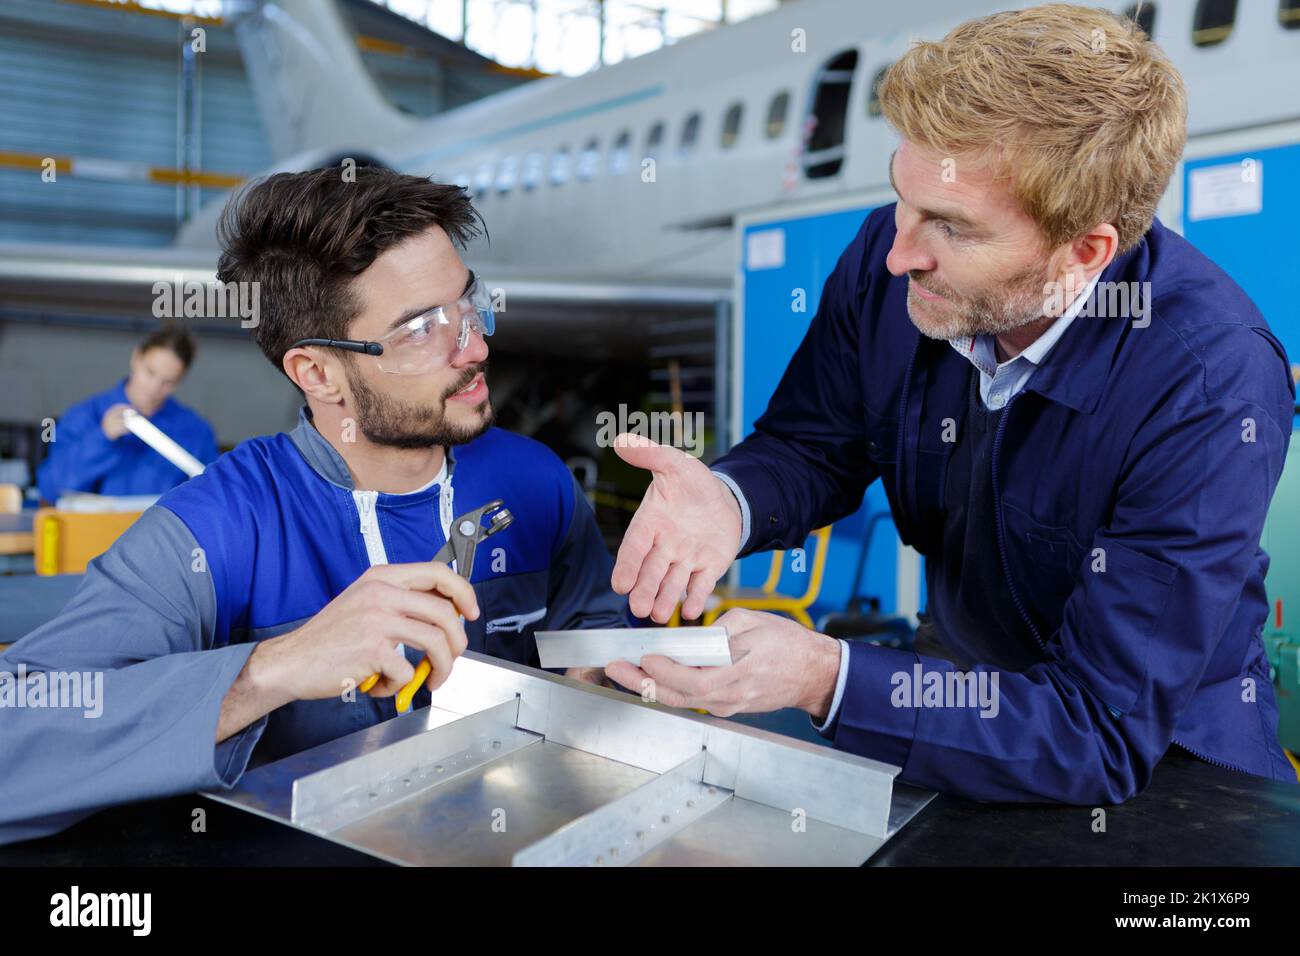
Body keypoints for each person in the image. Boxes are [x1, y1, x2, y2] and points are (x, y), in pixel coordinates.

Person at [603, 5, 1297, 803]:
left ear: (1085, 252)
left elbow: (1099, 732)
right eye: (903, 198)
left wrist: (826, 677)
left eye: (952, 228)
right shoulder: (887, 258)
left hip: (1162, 778)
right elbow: (813, 442)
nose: (900, 251)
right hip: (951, 711)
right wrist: (731, 500)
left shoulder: (1205, 383)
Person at [0, 167, 624, 845]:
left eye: (468, 308)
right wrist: (270, 669)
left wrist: (632, 666)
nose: (475, 348)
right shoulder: (216, 530)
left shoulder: (535, 481)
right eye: (420, 331)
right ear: (317, 372)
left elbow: (585, 635)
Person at [36, 323, 218, 500]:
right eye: (150, 372)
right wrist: (102, 438)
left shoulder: (195, 432)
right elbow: (49, 487)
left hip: (160, 531)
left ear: (180, 380)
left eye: (168, 382)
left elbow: (212, 497)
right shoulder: (84, 416)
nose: (154, 388)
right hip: (95, 529)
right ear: (136, 357)